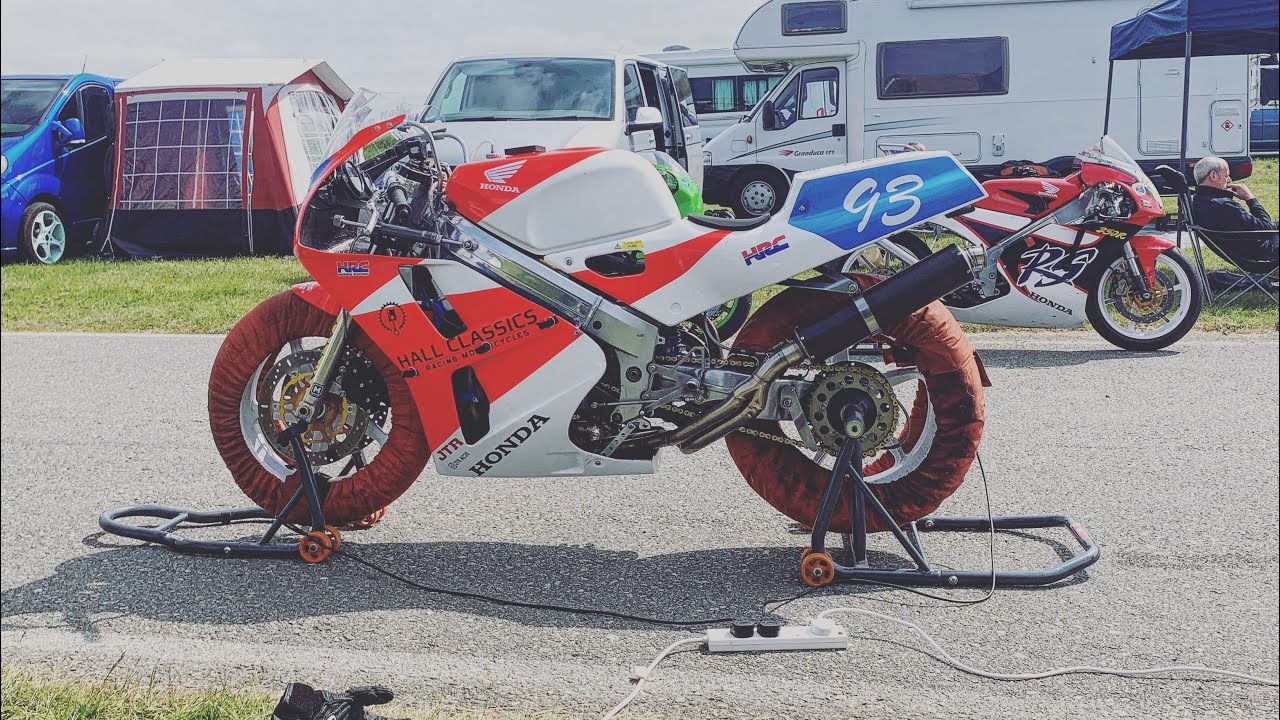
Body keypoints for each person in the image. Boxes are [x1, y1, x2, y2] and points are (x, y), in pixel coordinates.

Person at [1190, 156, 1278, 263]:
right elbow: (1267, 229)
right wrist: (1250, 199)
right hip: (1263, 255)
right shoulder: (1223, 206)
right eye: (1226, 175)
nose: (1229, 180)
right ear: (1213, 175)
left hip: (1244, 251)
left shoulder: (1198, 202)